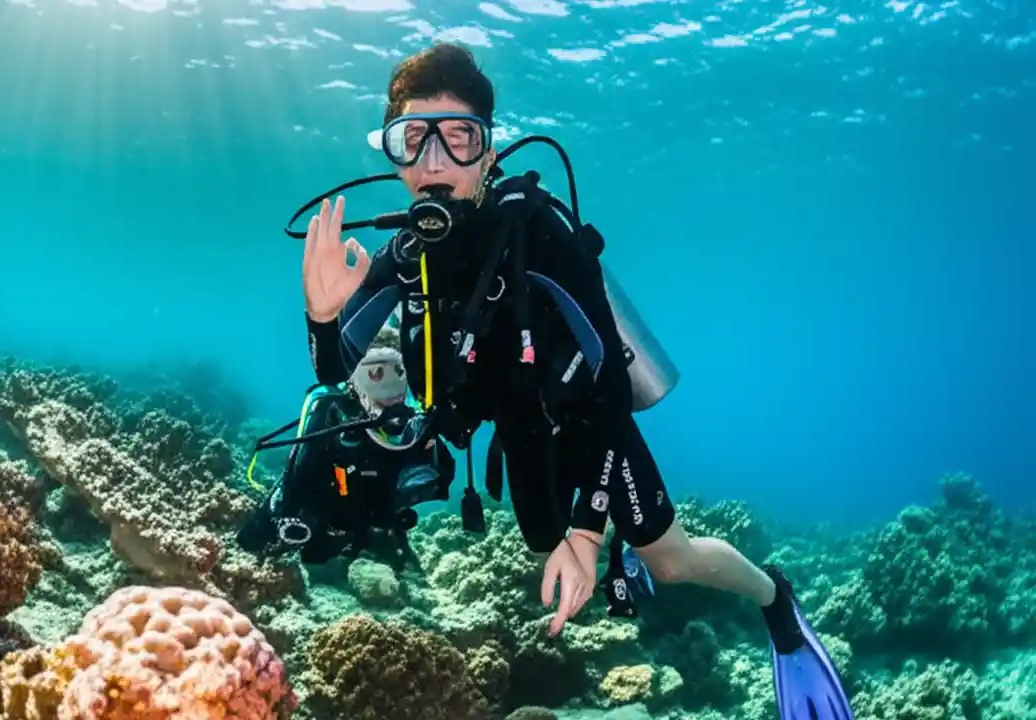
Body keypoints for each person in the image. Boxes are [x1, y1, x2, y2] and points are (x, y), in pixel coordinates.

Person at [295, 42, 854, 720]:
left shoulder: (544, 239)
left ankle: (774, 597)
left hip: (590, 421)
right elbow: (334, 376)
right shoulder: (401, 256)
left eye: (459, 138)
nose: (436, 162)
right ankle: (615, 553)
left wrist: (590, 533)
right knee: (539, 543)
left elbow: (613, 395)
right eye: (414, 139)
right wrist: (323, 319)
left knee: (669, 557)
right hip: (519, 432)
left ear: (489, 154)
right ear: (394, 156)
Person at [237, 337, 454, 573]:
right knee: (253, 548)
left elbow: (439, 475)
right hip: (326, 517)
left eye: (400, 372)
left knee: (399, 564)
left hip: (373, 522)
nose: (391, 388)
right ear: (353, 382)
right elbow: (296, 486)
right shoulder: (332, 416)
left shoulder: (416, 425)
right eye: (376, 373)